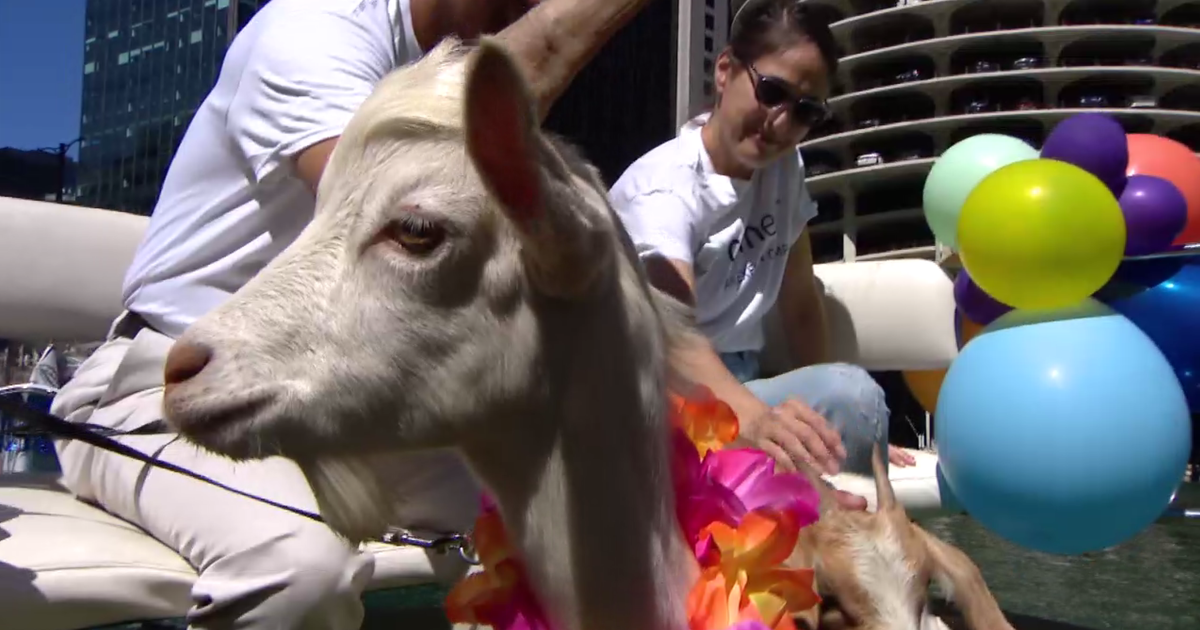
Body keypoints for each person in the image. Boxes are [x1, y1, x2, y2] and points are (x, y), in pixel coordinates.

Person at [49, 0, 654, 627]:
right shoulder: (310, 30)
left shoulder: (431, 62)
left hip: (330, 404)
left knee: (571, 530)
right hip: (159, 386)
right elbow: (409, 213)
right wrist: (560, 30)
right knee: (296, 570)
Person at [610, 0, 915, 509]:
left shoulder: (784, 168)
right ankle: (783, 491)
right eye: (772, 91)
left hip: (741, 380)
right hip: (651, 395)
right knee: (848, 407)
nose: (780, 120)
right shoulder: (664, 192)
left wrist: (840, 428)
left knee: (854, 401)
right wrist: (753, 418)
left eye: (805, 110)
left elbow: (798, 300)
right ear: (726, 70)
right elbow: (671, 336)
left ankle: (770, 481)